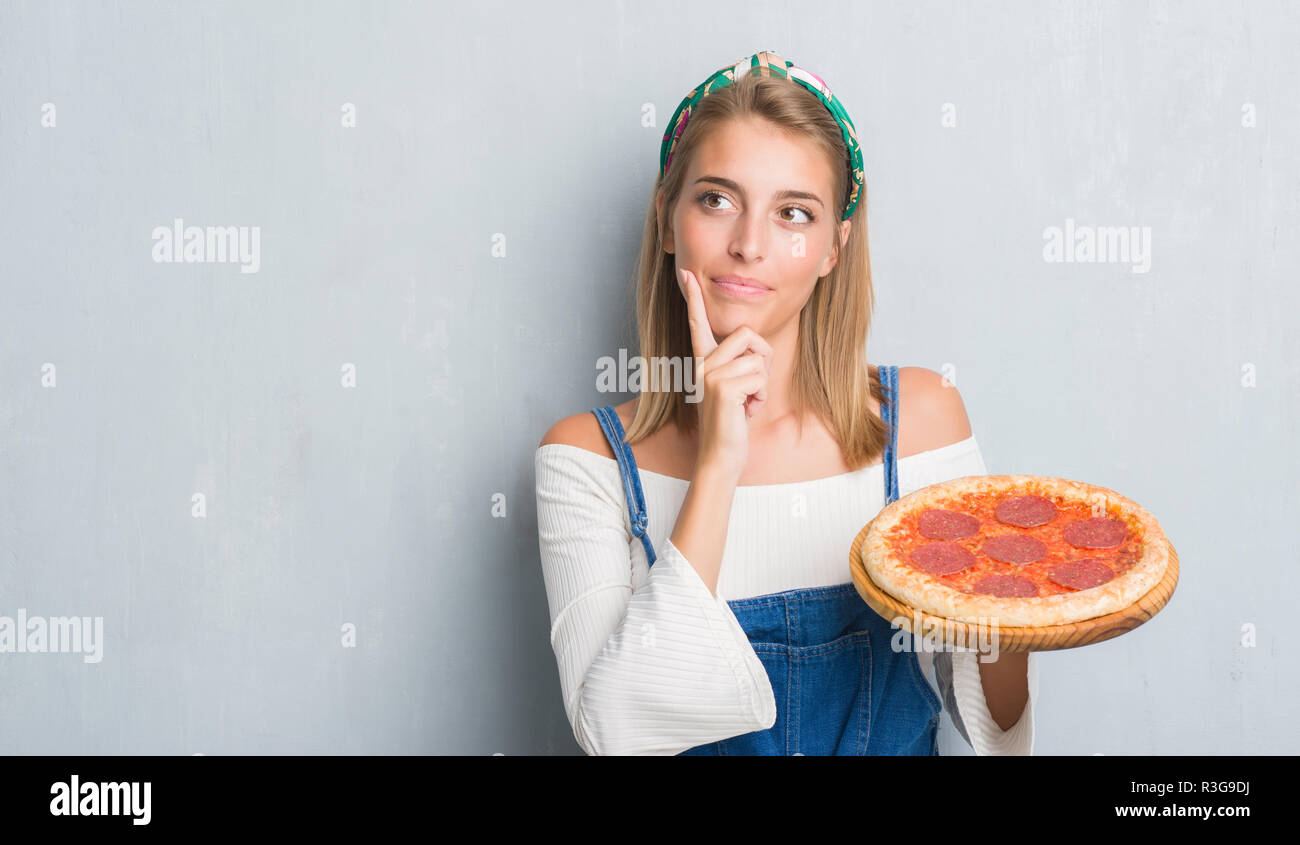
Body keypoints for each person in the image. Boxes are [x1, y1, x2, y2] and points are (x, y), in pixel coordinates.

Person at [534, 51, 1036, 755]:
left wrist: (1018, 602)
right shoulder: (585, 459)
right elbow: (615, 734)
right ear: (667, 218)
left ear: (834, 246)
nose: (748, 245)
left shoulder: (920, 422)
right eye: (716, 199)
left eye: (793, 213)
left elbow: (997, 730)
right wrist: (717, 463)